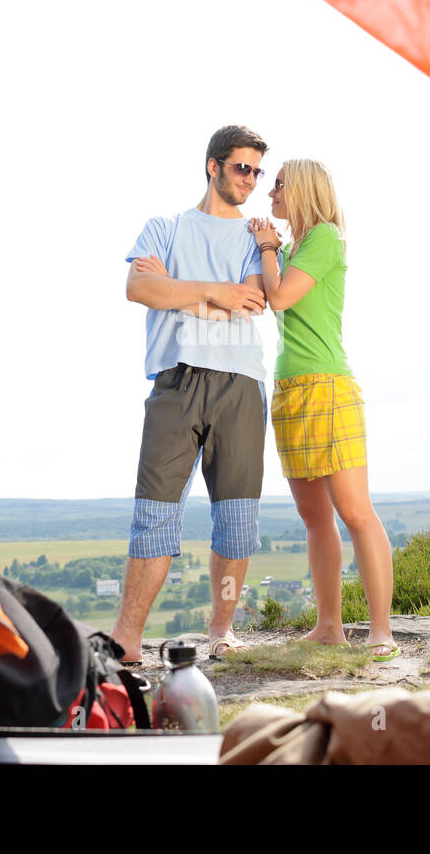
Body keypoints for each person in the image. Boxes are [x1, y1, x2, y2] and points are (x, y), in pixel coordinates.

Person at [112, 125, 271, 665]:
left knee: (237, 519)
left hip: (240, 384)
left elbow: (252, 301)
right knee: (154, 515)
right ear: (213, 165)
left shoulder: (256, 236)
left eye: (256, 170)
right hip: (175, 381)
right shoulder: (165, 228)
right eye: (240, 167)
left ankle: (221, 630)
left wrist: (178, 293)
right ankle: (126, 641)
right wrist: (212, 293)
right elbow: (140, 288)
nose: (249, 179)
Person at [247, 159, 398, 660]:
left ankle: (381, 631)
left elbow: (282, 297)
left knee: (355, 511)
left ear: (304, 189)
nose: (270, 192)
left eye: (280, 184)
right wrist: (270, 248)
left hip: (329, 386)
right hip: (290, 387)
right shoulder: (292, 246)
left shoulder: (326, 239)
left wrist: (267, 247)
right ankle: (329, 626)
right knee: (314, 516)